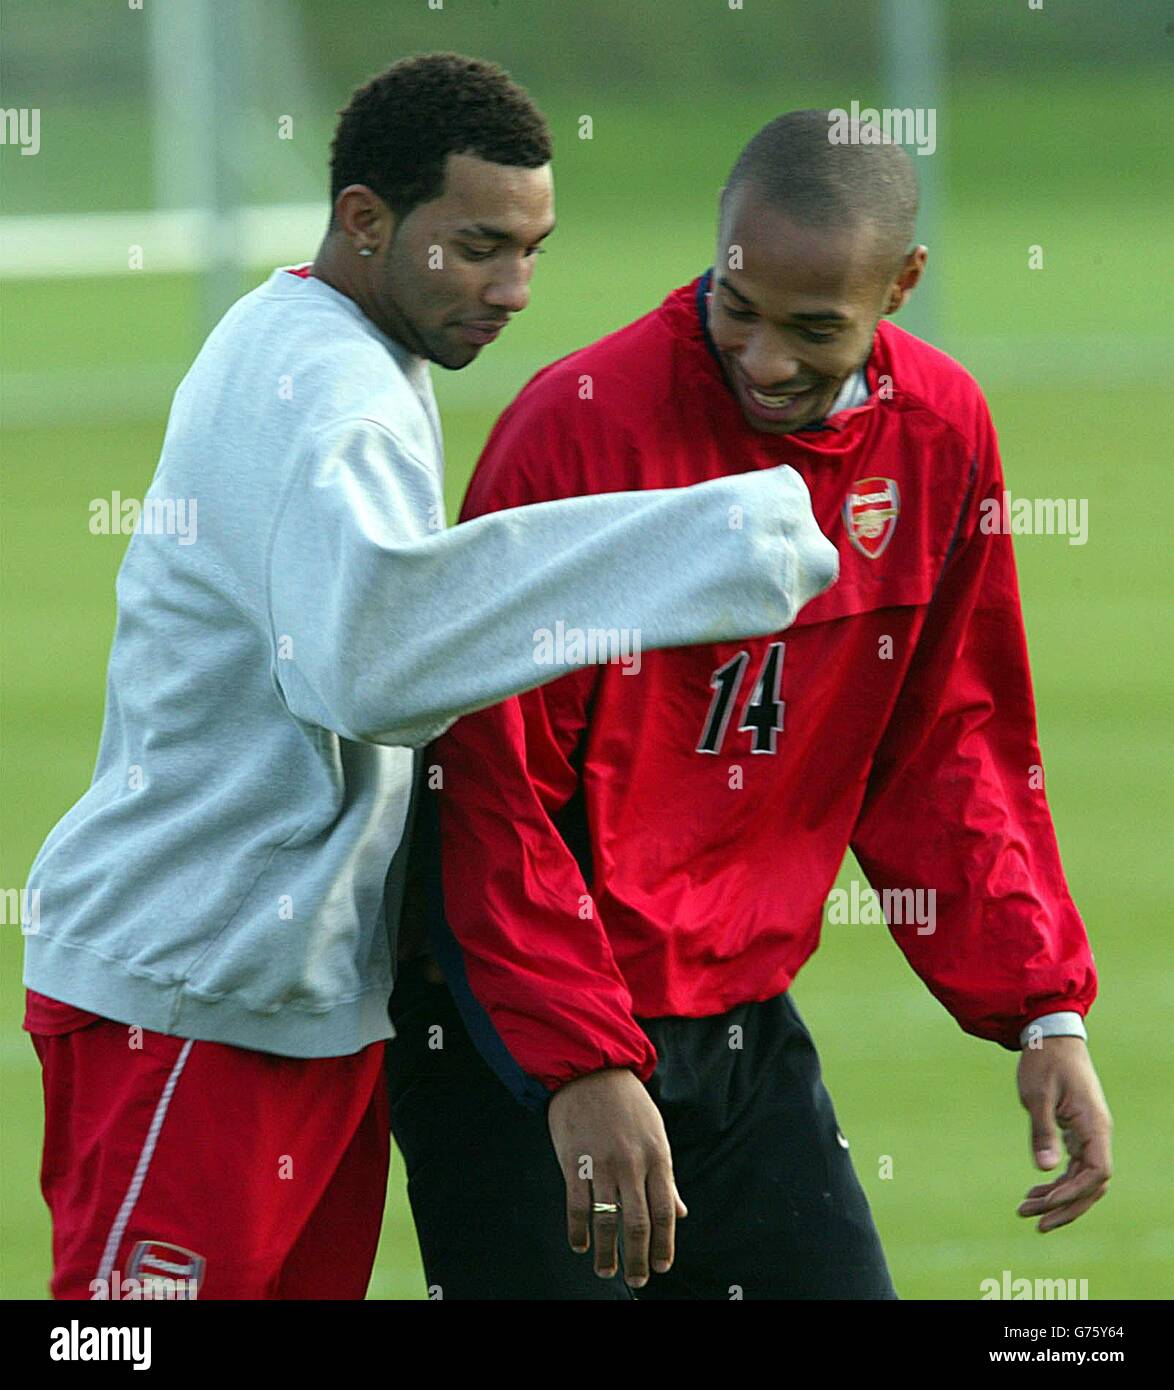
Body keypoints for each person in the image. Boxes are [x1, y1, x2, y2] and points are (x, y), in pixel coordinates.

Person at [21, 60, 837, 1301]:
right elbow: (369, 661)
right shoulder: (328, 393)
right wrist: (705, 547)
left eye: (532, 250)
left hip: (297, 1002)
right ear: (363, 219)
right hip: (189, 998)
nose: (513, 289)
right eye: (477, 247)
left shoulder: (356, 352)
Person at [389, 110, 1113, 1300]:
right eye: (738, 307)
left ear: (903, 286)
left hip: (734, 1025)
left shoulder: (939, 435)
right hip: (522, 1034)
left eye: (815, 328)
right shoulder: (579, 432)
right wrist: (580, 1064)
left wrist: (1043, 1012)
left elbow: (952, 743)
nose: (766, 359)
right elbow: (489, 782)